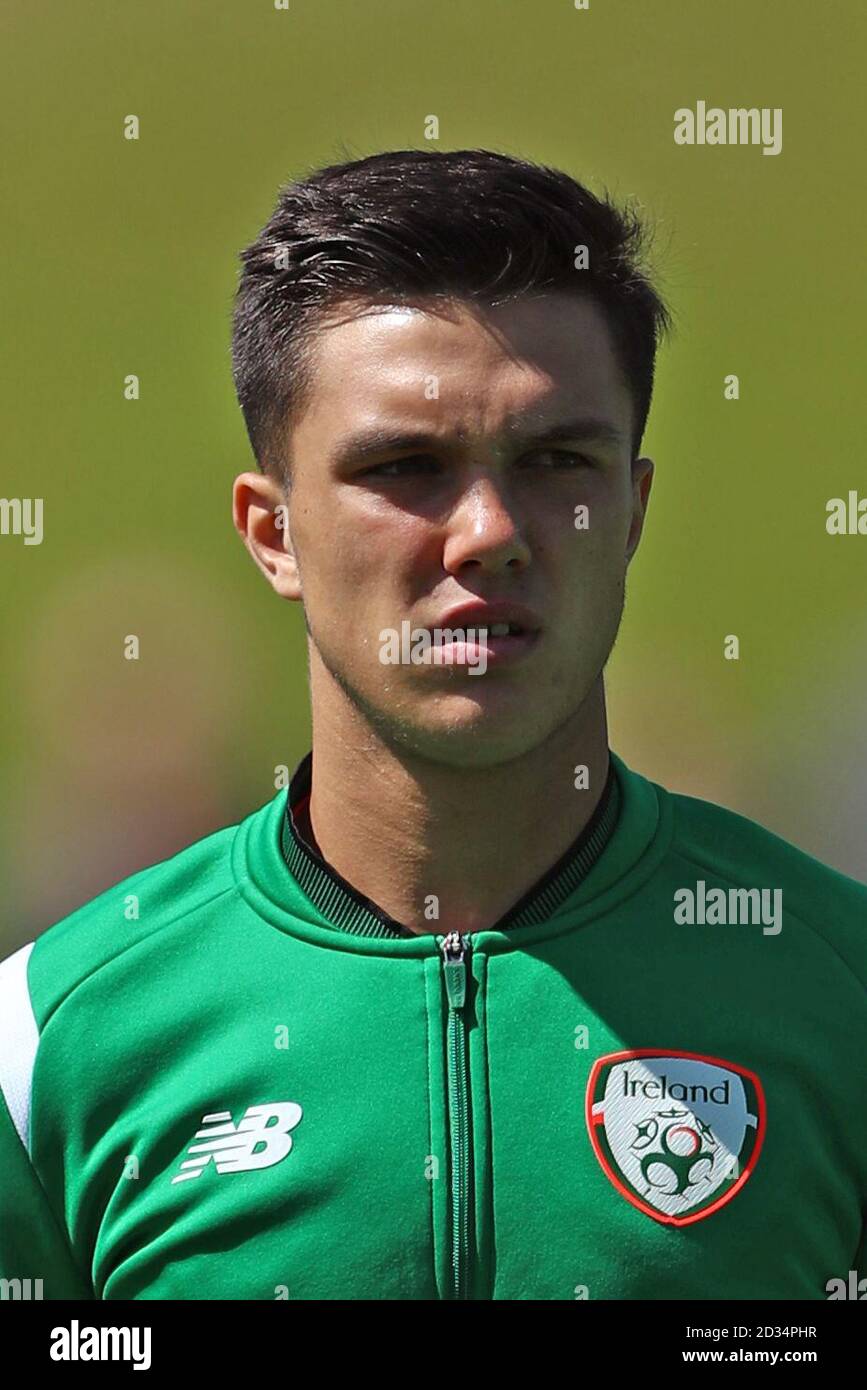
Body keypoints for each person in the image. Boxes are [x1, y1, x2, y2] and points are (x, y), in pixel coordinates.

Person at [1, 149, 864, 1301]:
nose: (489, 532)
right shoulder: (44, 1045)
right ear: (273, 533)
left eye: (555, 459)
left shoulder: (841, 990)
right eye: (406, 465)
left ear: (631, 510)